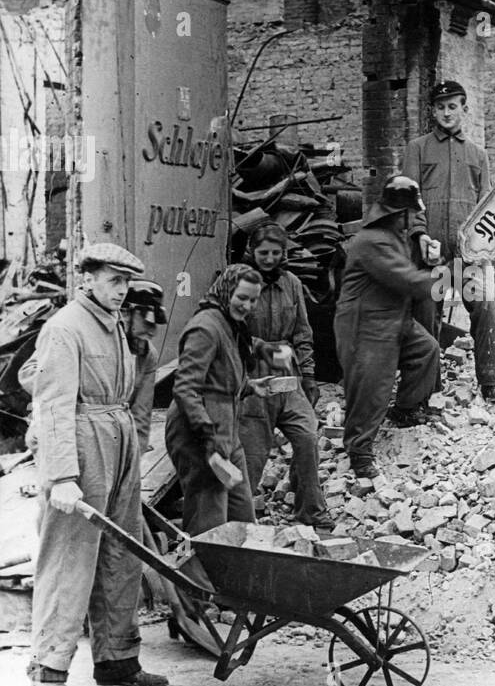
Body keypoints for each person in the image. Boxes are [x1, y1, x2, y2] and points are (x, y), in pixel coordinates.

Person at [27, 244, 169, 686]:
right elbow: (53, 405)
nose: (121, 290)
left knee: (120, 552)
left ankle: (117, 660)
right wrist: (62, 476)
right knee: (70, 555)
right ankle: (49, 665)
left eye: (126, 282)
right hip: (82, 439)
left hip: (117, 435)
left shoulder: (113, 325)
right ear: (87, 279)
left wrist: (131, 447)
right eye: (113, 280)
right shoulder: (65, 328)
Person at [401, 79, 495, 405]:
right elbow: (409, 198)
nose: (447, 113)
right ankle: (427, 390)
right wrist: (420, 235)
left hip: (467, 256)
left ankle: (491, 382)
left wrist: (482, 246)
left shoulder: (478, 155)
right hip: (429, 254)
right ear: (432, 111)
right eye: (440, 107)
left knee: (486, 306)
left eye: (453, 106)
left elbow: (486, 208)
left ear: (464, 109)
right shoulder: (418, 149)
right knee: (425, 318)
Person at [334, 175, 440, 480]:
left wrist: (432, 260)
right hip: (365, 325)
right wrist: (447, 277)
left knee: (426, 350)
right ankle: (360, 451)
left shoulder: (394, 236)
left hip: (393, 318)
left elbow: (412, 274)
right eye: (411, 213)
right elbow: (409, 281)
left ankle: (404, 410)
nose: (415, 219)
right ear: (399, 213)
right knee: (372, 388)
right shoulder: (372, 241)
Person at [238, 221, 333, 531]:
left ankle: (310, 509)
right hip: (252, 375)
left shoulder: (291, 283)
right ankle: (240, 519)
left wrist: (309, 375)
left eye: (276, 253)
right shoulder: (239, 281)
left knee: (307, 436)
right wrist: (262, 349)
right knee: (253, 452)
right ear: (252, 252)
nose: (269, 259)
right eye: (263, 253)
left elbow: (302, 332)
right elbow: (230, 331)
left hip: (287, 372)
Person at [165, 265, 269, 537]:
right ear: (226, 291)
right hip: (198, 433)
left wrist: (249, 387)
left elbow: (219, 378)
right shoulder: (206, 327)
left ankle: (235, 564)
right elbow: (186, 388)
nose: (247, 306)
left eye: (253, 300)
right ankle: (200, 565)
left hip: (225, 432)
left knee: (242, 515)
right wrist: (208, 439)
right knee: (208, 522)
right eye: (241, 297)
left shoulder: (231, 325)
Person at [121, 279, 167, 455]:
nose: (152, 331)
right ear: (126, 314)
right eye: (148, 323)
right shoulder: (100, 345)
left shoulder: (148, 354)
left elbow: (142, 411)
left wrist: (136, 455)